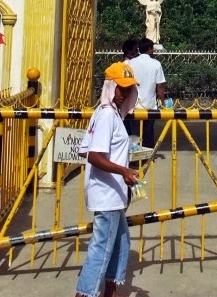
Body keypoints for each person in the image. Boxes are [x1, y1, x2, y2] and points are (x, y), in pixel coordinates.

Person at [73, 62, 141, 297]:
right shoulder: (107, 116)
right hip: (107, 195)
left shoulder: (104, 114)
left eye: (129, 89)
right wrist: (122, 170)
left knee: (121, 243)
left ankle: (110, 289)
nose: (125, 94)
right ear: (111, 87)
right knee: (102, 248)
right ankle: (85, 292)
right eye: (121, 88)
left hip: (112, 193)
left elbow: (84, 149)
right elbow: (93, 155)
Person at [127, 38, 166, 148]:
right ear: (149, 49)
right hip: (150, 105)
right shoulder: (156, 64)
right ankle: (148, 155)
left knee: (135, 132)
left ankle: (135, 156)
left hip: (134, 104)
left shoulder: (131, 63)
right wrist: (162, 102)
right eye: (152, 48)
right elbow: (160, 85)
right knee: (148, 131)